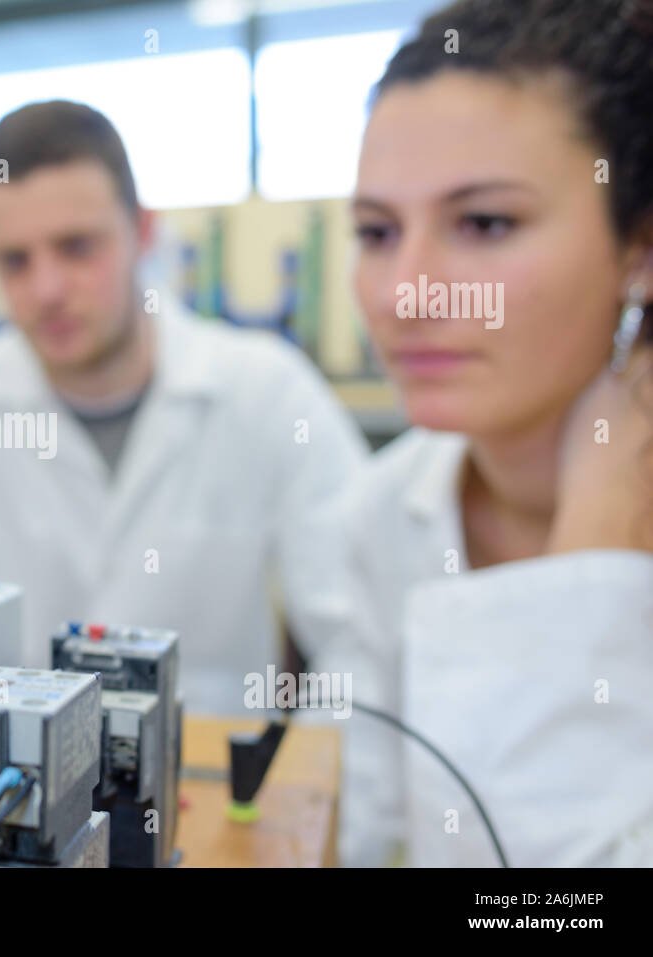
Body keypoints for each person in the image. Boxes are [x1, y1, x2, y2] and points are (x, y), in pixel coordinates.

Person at [0, 101, 367, 711]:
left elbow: (362, 634)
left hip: (208, 782)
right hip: (7, 791)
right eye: (15, 260)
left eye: (77, 247)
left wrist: (304, 787)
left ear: (144, 231)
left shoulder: (266, 391)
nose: (47, 289)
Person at [315, 0, 653, 866]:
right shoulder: (382, 512)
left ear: (639, 249)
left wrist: (595, 553)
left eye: (486, 223)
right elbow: (372, 841)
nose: (407, 293)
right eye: (376, 232)